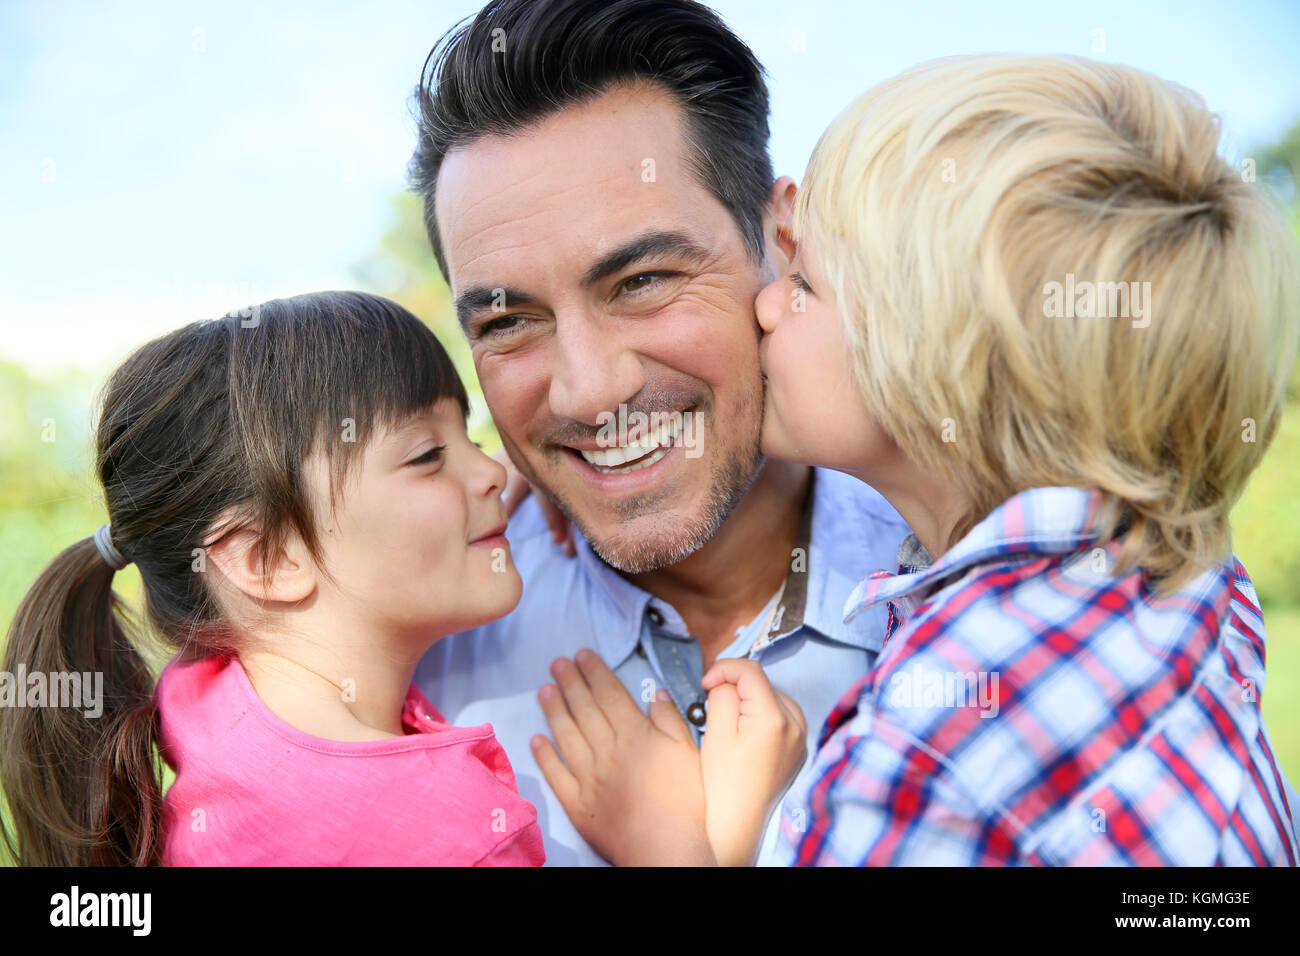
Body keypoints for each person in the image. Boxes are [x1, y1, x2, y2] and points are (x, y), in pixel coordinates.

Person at [749, 54, 1299, 865]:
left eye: (805, 284)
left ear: (931, 360)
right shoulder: (1193, 586)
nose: (766, 301)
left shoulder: (923, 753)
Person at [409, 0, 910, 866]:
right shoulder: (419, 669)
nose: (588, 389)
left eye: (642, 280)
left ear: (784, 240)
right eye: (508, 323)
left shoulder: (985, 588)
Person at [0, 292, 548, 865]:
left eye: (473, 438)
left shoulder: (204, 699)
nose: (489, 471)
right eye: (428, 455)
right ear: (266, 559)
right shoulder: (447, 833)